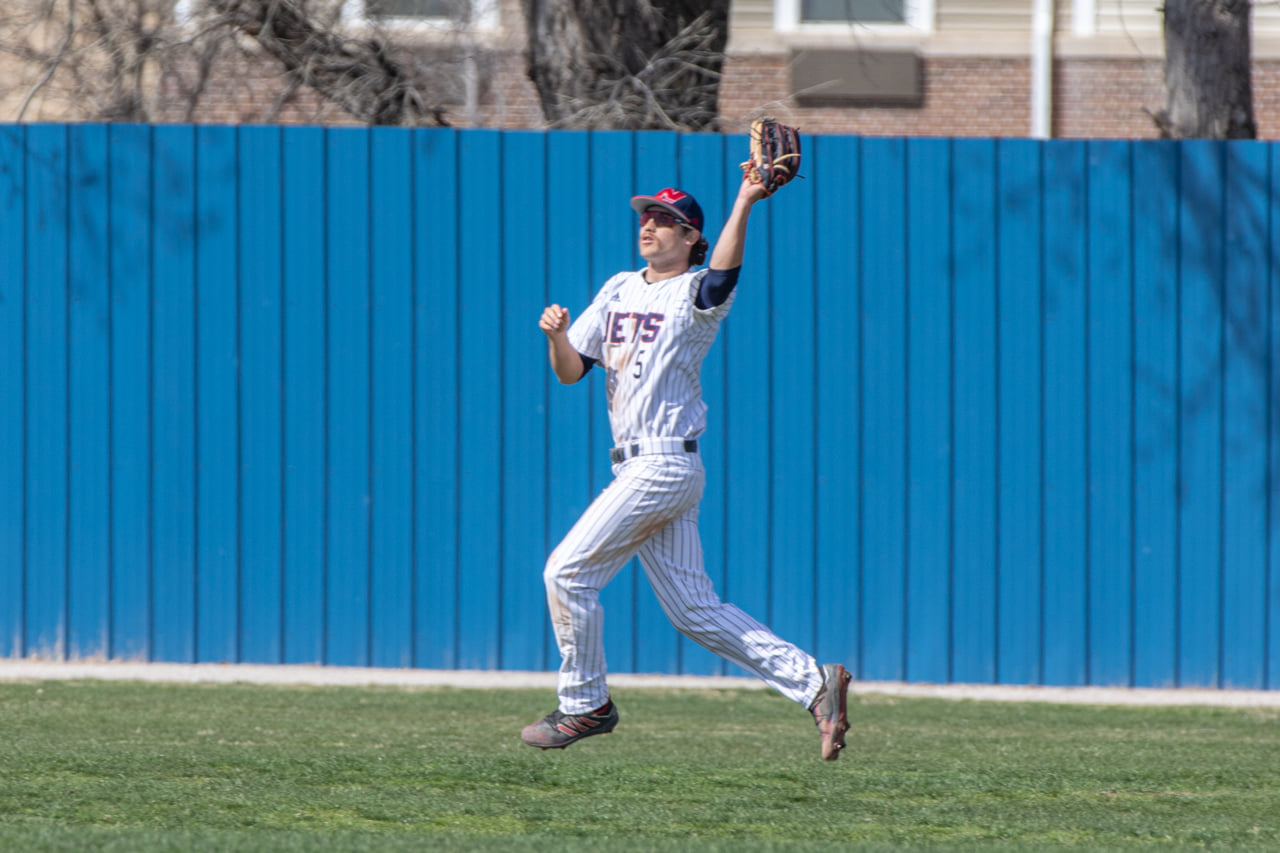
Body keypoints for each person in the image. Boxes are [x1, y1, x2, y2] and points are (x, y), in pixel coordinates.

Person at [525, 172, 851, 760]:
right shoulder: (620, 287)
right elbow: (573, 371)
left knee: (566, 574)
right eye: (645, 217)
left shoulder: (697, 293)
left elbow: (725, 273)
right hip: (639, 470)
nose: (648, 225)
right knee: (696, 613)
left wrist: (746, 199)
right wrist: (555, 338)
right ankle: (815, 682)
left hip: (663, 463)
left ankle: (585, 704)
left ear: (691, 235)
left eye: (664, 219)